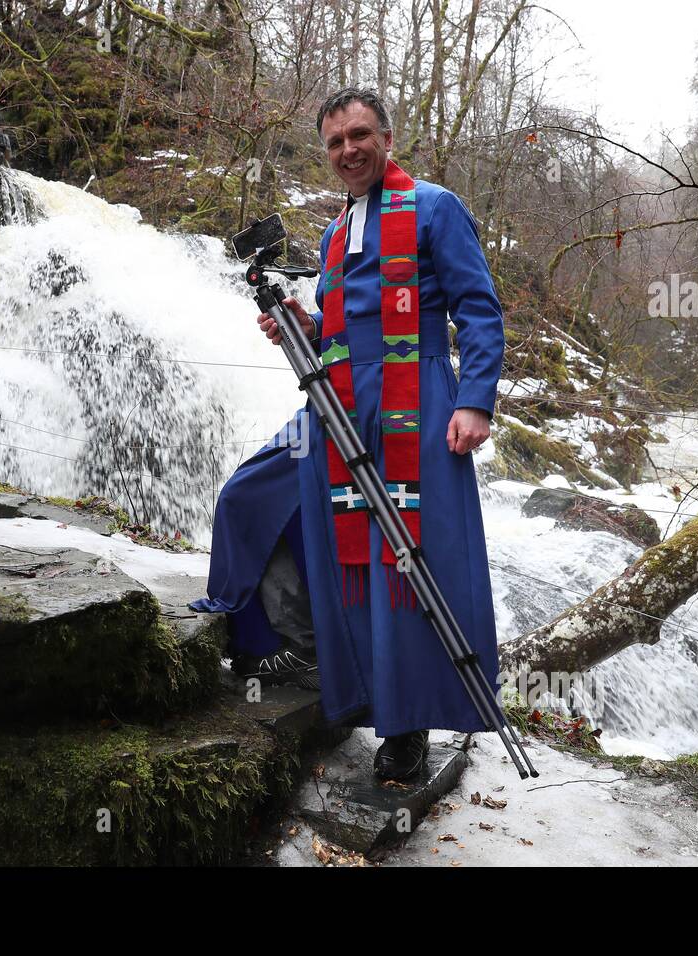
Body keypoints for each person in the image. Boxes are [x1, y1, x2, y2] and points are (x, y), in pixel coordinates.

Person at [190, 87, 505, 781]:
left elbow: (478, 309)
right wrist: (298, 328)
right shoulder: (335, 233)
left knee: (402, 555)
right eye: (335, 142)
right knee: (250, 495)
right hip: (332, 404)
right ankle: (301, 649)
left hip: (413, 398)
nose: (348, 150)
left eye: (360, 135)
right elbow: (335, 327)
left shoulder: (433, 207)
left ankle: (406, 726)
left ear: (387, 139)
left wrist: (475, 400)